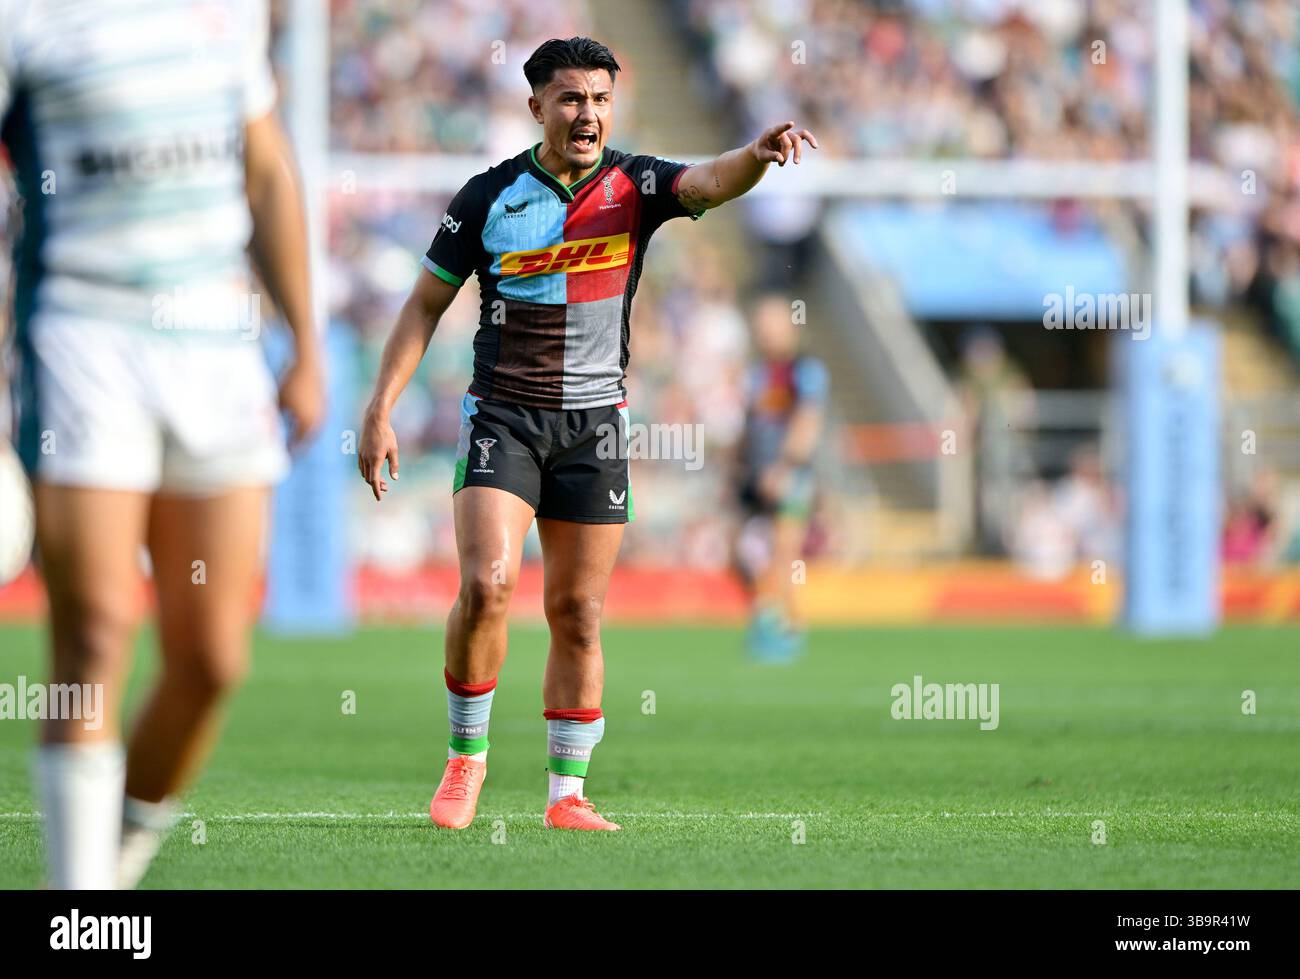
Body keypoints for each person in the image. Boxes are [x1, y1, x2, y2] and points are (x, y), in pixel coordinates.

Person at [358, 36, 817, 831]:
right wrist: (379, 408)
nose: (588, 114)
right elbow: (423, 305)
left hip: (595, 426)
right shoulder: (485, 197)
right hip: (502, 417)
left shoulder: (636, 184)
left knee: (577, 611)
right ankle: (466, 760)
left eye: (601, 99)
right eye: (571, 99)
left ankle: (566, 795)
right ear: (535, 105)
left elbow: (710, 179)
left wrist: (757, 152)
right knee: (489, 585)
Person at [1, 0, 323, 887]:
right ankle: (84, 908)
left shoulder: (227, 13)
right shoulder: (23, 20)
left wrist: (305, 342)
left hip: (218, 347)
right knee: (97, 628)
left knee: (213, 657)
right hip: (80, 336)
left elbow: (264, 170)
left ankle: (109, 861)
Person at [733, 294, 828, 661]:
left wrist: (785, 466)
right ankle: (770, 615)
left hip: (791, 475)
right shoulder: (758, 371)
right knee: (738, 550)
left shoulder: (805, 370)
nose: (764, 332)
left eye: (771, 324)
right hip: (755, 473)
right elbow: (750, 422)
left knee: (783, 551)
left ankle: (784, 628)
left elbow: (808, 420)